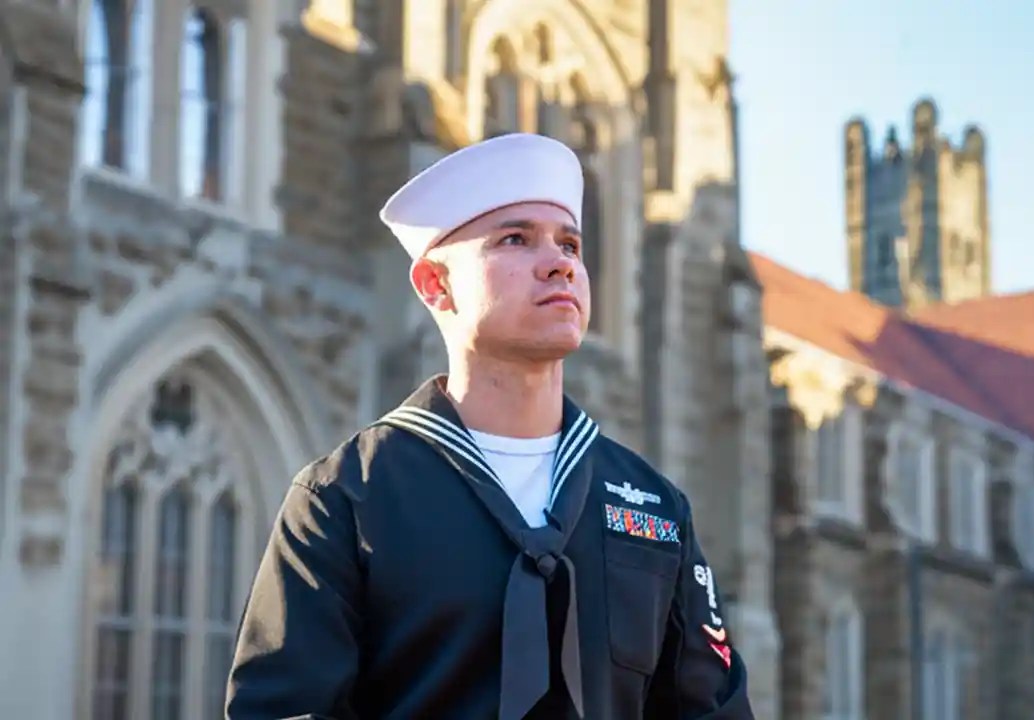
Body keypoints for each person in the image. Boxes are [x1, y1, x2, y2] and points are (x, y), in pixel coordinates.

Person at [225, 133, 754, 719]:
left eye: (570, 244)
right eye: (515, 239)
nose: (560, 263)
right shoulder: (344, 499)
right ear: (436, 284)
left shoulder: (656, 506)